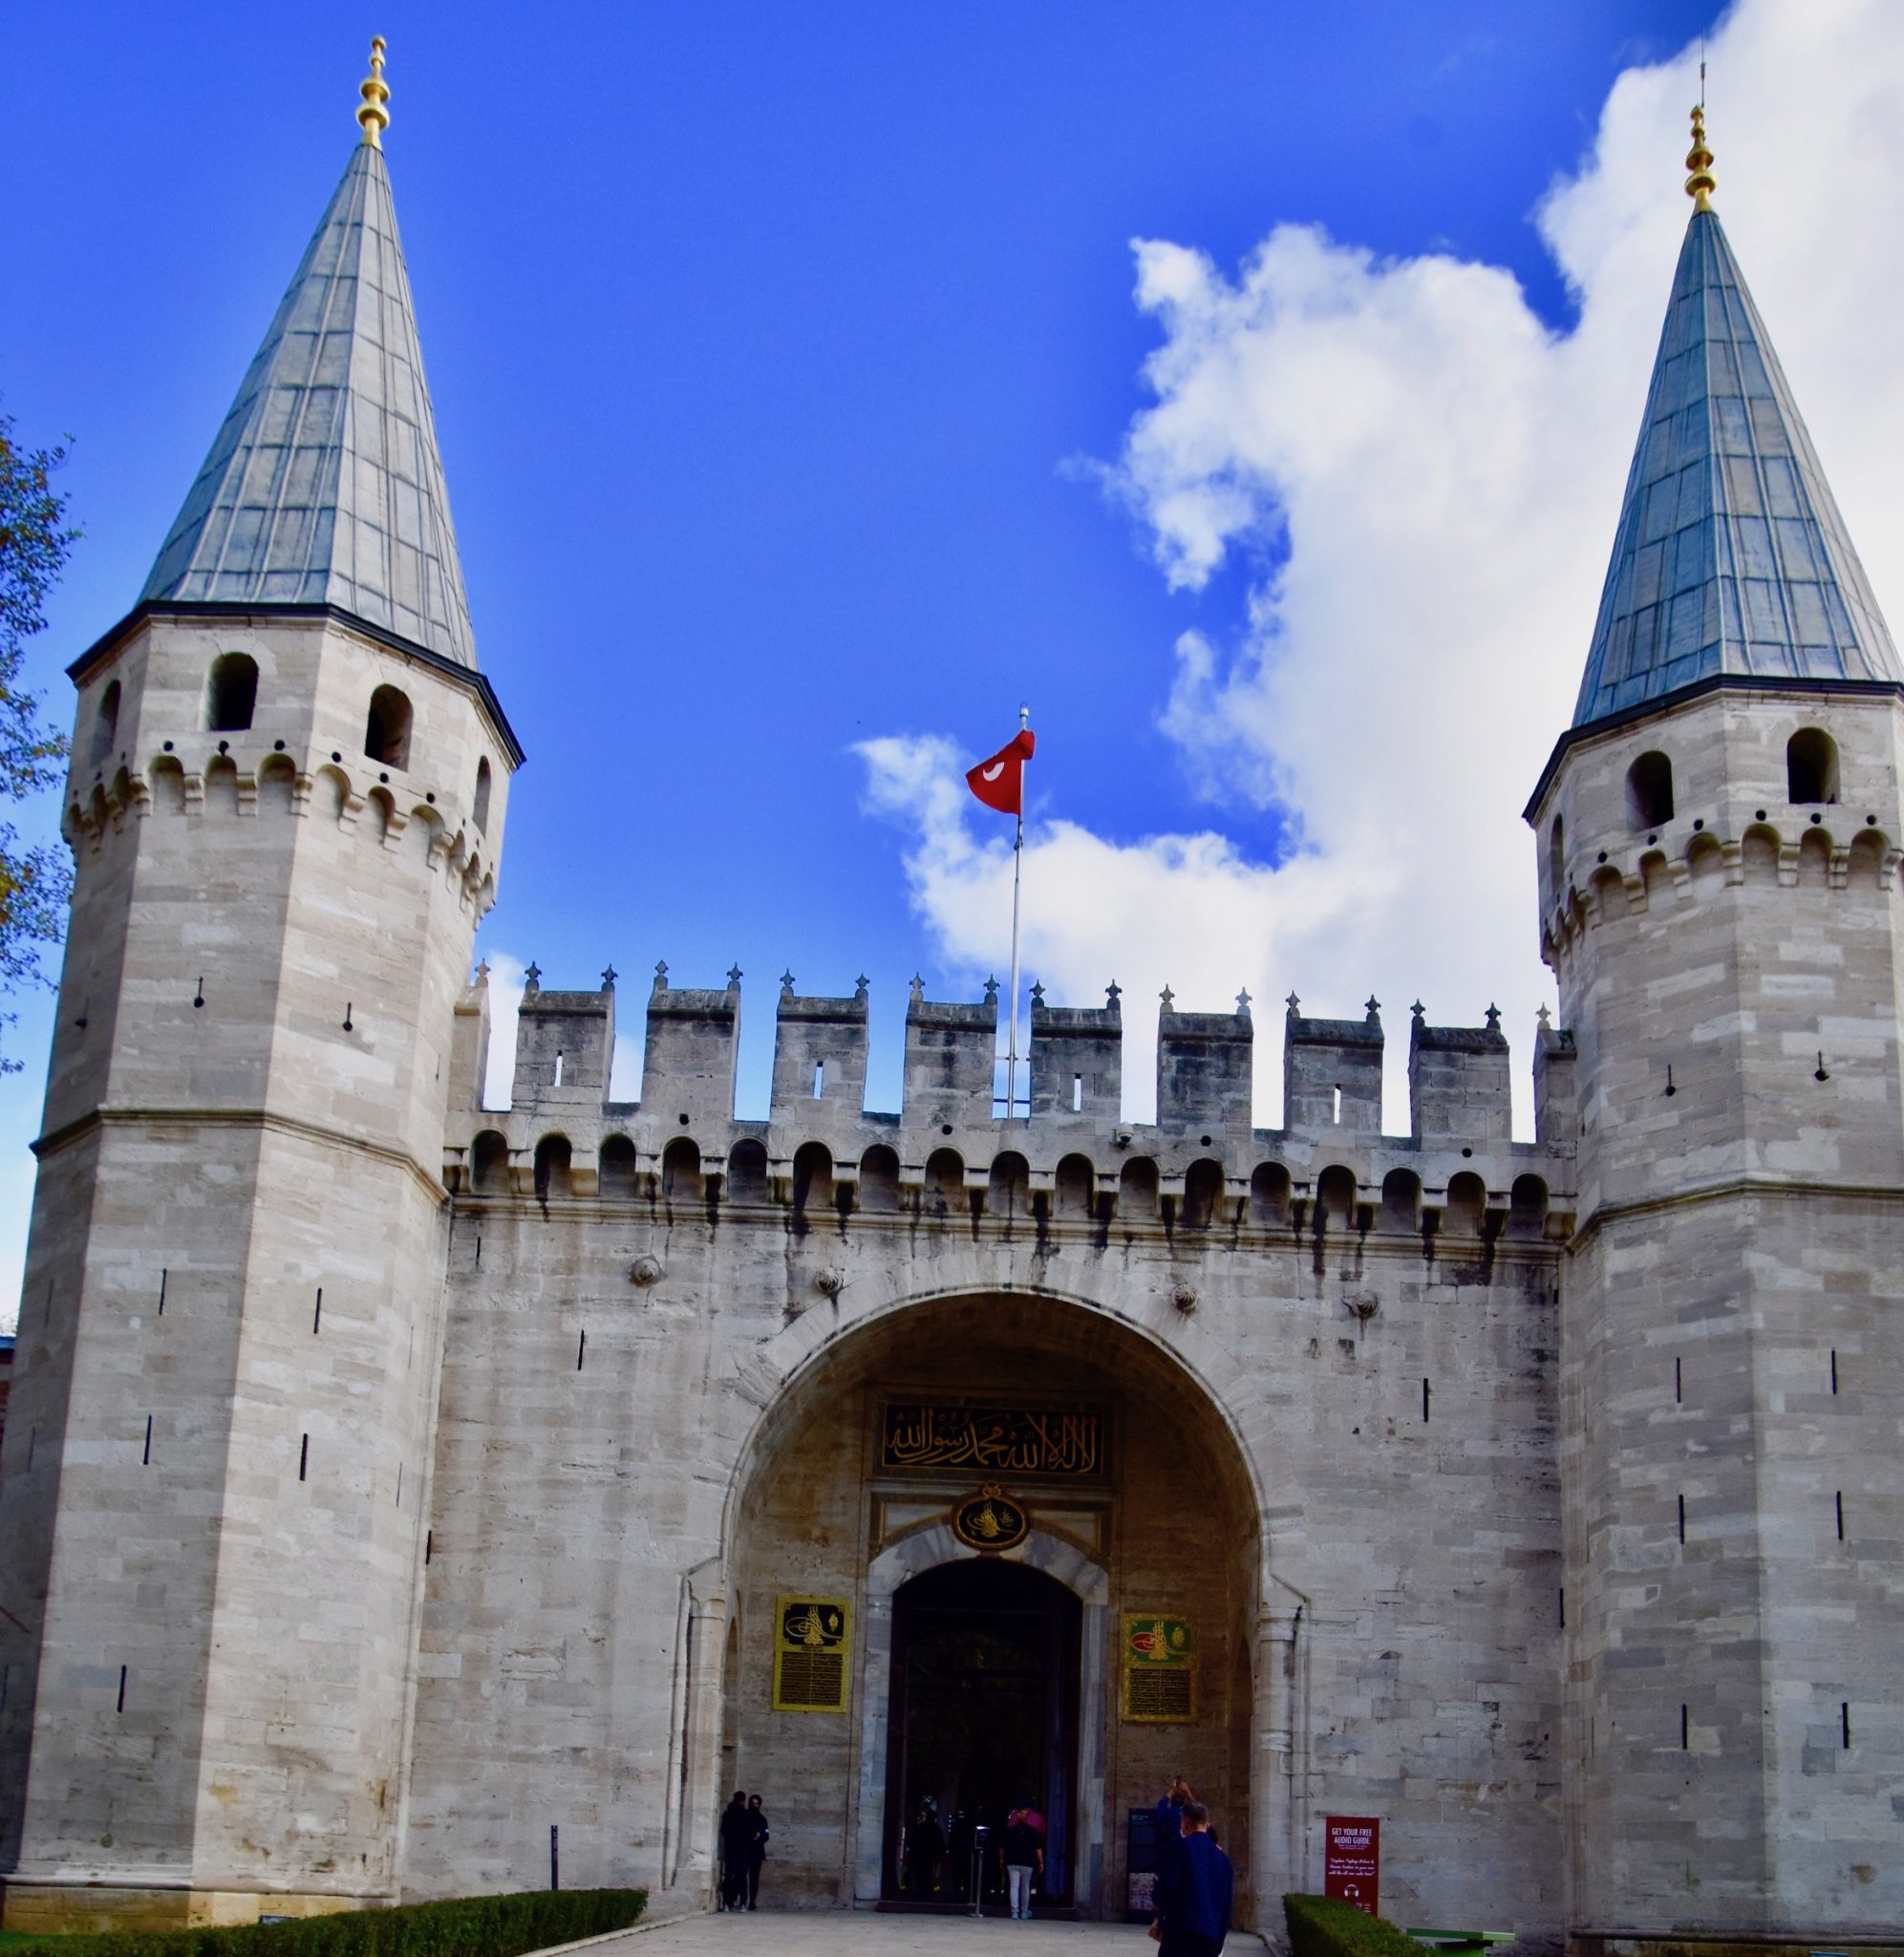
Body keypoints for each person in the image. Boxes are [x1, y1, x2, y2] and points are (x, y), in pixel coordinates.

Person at [1152, 1799, 1233, 1957]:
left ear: (1184, 1822)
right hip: (1209, 1938)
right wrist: (1218, 1944)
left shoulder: (1181, 1846)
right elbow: (1226, 1907)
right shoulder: (1224, 1860)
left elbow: (1166, 1887)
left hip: (1180, 1933)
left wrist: (1158, 1908)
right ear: (1207, 1825)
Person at [1003, 1804, 1044, 1921]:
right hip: (1028, 1862)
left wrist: (1002, 1860)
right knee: (1025, 1888)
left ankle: (1014, 1912)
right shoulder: (1033, 1831)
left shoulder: (1010, 1831)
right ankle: (1025, 1912)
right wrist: (1041, 1862)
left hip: (1012, 1861)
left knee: (1014, 1887)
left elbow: (1003, 1846)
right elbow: (1038, 1848)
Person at [717, 1790, 752, 1911]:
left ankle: (726, 1903)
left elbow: (723, 1831)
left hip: (730, 1849)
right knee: (742, 1877)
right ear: (743, 1800)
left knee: (729, 1876)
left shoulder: (727, 1813)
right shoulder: (746, 1814)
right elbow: (750, 1832)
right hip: (743, 1850)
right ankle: (742, 1904)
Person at [908, 1802, 946, 1900]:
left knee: (924, 1874)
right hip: (925, 1855)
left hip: (926, 1855)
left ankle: (924, 1892)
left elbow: (940, 1843)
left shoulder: (924, 1828)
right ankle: (924, 1892)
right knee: (924, 1874)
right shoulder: (932, 1829)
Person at [745, 1794, 769, 1909]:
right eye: (752, 1804)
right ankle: (742, 1900)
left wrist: (760, 1835)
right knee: (742, 1876)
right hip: (745, 1850)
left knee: (754, 1877)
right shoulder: (744, 1817)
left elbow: (766, 1836)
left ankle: (752, 1900)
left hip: (757, 1851)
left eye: (756, 1804)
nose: (754, 1806)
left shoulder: (762, 1819)